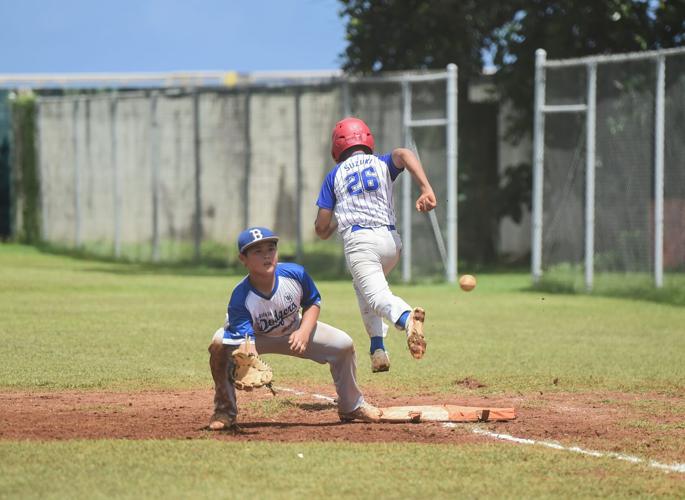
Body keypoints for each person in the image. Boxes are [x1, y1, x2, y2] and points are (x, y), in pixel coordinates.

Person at [208, 226, 382, 430]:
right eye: (257, 251)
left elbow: (313, 302)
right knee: (219, 343)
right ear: (242, 259)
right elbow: (247, 342)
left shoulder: (294, 274)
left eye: (271, 249)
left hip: (294, 330)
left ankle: (351, 405)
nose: (267, 256)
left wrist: (304, 332)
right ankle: (224, 411)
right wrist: (248, 363)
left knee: (343, 344)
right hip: (256, 338)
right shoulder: (240, 297)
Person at [314, 117, 437, 373]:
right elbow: (403, 153)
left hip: (361, 243)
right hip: (391, 243)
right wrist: (425, 188)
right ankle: (377, 348)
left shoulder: (334, 175)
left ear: (337, 148)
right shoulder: (380, 163)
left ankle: (406, 317)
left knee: (377, 296)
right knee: (363, 288)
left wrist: (339, 214)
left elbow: (321, 228)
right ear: (367, 141)